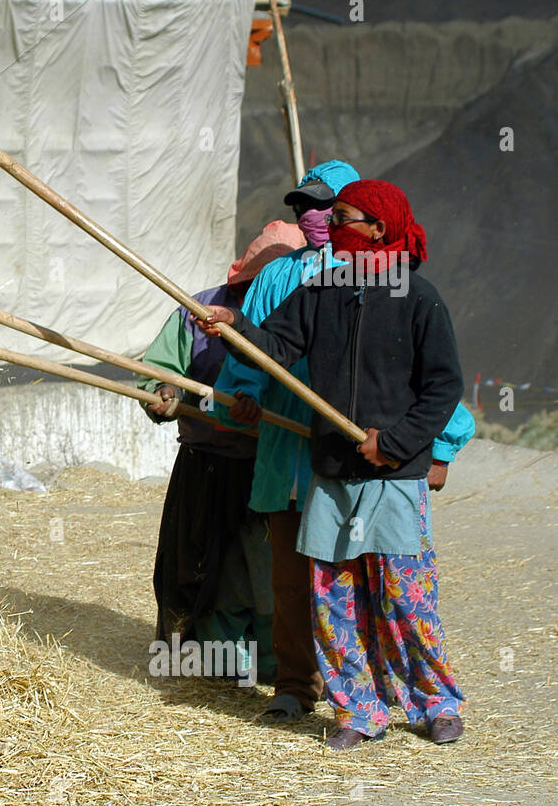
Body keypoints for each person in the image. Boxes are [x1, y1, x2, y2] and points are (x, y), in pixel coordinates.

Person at [199, 179, 466, 749]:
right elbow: (276, 347)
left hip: (394, 475)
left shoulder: (420, 299)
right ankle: (358, 710)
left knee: (404, 596)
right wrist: (233, 326)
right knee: (334, 599)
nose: (335, 230)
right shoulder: (322, 292)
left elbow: (443, 388)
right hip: (332, 473)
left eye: (346, 218)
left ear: (380, 228)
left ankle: (434, 701)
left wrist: (395, 442)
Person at [137, 221, 306, 684]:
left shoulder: (307, 309)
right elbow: (157, 372)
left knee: (263, 579)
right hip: (203, 462)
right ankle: (200, 664)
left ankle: (271, 670)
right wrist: (166, 392)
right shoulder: (201, 308)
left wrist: (261, 408)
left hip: (269, 471)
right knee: (189, 569)